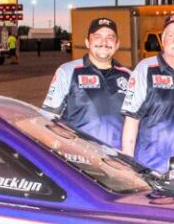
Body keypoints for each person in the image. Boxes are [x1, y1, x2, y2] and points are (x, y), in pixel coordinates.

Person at [120, 14, 174, 173]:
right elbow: (131, 120)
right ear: (163, 40)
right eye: (171, 35)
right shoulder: (145, 69)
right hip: (149, 170)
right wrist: (128, 166)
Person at [41, 17, 132, 147]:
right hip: (78, 160)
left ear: (117, 44)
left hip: (116, 162)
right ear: (87, 42)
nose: (104, 42)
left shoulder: (129, 77)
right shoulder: (67, 72)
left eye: (110, 37)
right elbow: (47, 119)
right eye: (98, 36)